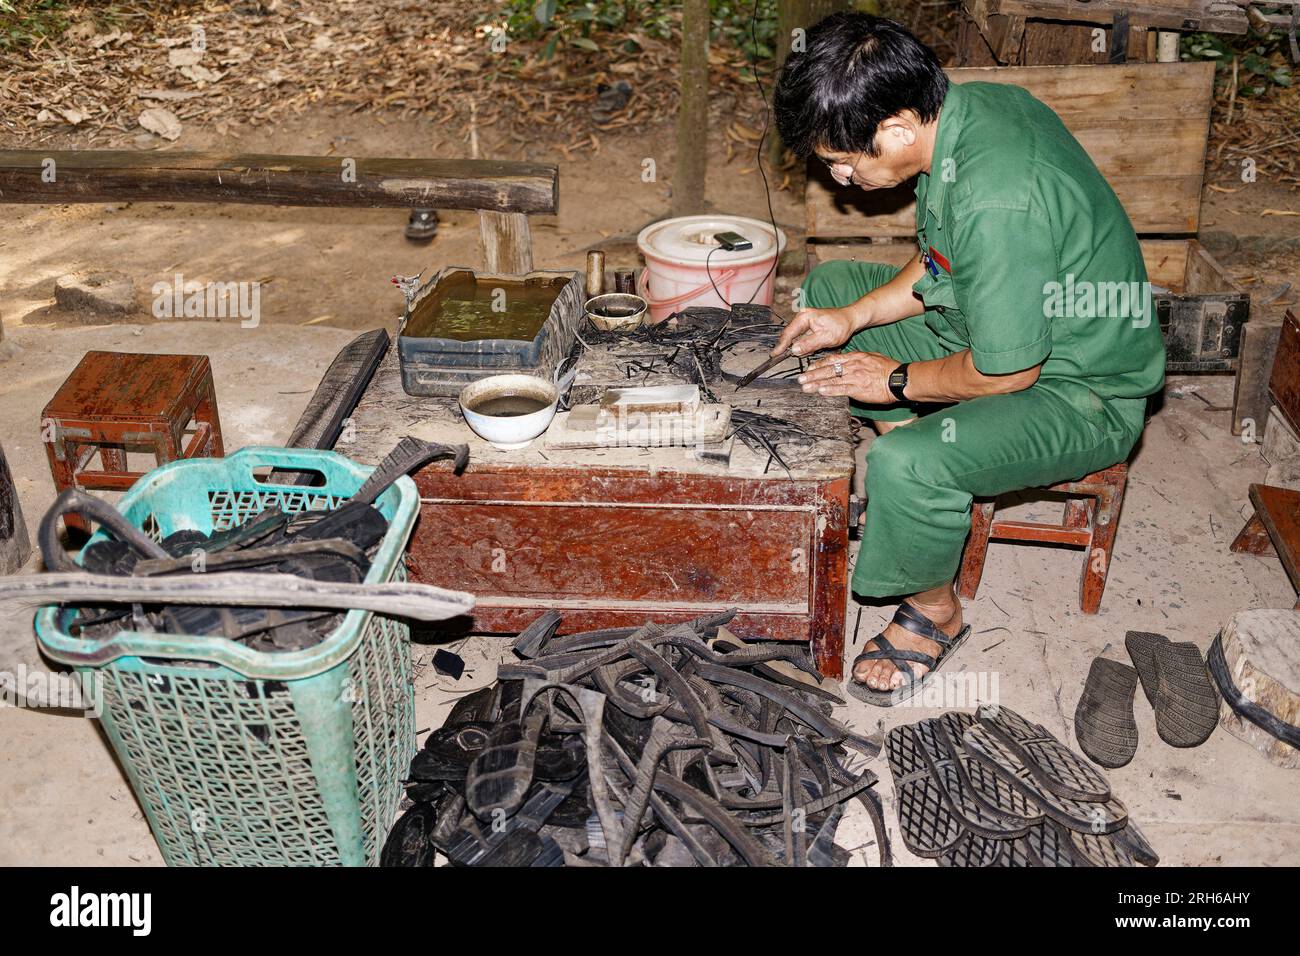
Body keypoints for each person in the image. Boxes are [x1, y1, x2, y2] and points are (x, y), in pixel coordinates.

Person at [772, 13, 1165, 705]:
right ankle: (925, 498)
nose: (837, 174)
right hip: (1001, 322)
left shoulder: (998, 197)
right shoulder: (966, 108)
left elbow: (1009, 371)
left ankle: (937, 607)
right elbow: (942, 264)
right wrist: (853, 318)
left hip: (1078, 389)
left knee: (908, 464)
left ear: (895, 127)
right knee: (833, 290)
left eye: (842, 158)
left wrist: (894, 382)